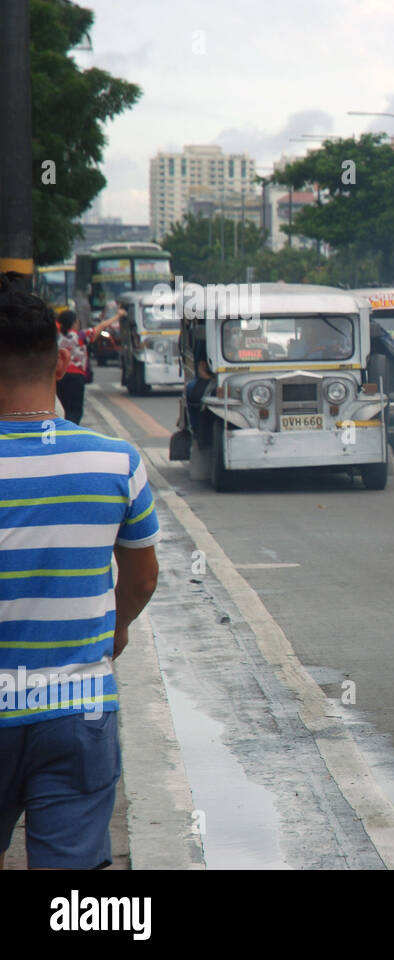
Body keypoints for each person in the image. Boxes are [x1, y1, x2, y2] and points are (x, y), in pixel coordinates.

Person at [0, 272, 159, 870]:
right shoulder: (115, 461)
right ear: (62, 369)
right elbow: (143, 577)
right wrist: (114, 630)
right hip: (78, 709)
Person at [54, 307, 120, 424]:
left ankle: (62, 432)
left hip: (59, 377)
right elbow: (101, 326)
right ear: (74, 323)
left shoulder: (56, 338)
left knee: (62, 407)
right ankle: (72, 434)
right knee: (75, 409)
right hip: (76, 377)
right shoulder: (81, 336)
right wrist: (118, 315)